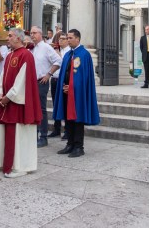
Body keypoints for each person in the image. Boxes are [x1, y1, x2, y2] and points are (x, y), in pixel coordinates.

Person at [0, 27, 41, 178]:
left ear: (19, 38)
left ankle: (20, 166)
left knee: (19, 135)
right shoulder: (9, 55)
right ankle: (6, 162)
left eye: (10, 36)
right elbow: (2, 76)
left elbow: (22, 81)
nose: (7, 38)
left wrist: (9, 96)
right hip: (7, 100)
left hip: (18, 103)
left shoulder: (26, 55)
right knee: (6, 133)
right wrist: (0, 92)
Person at [53, 29, 100, 158]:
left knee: (77, 119)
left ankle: (79, 147)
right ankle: (70, 144)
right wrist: (64, 86)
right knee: (68, 118)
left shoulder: (84, 55)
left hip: (78, 94)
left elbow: (84, 78)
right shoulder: (68, 54)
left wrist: (72, 88)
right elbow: (65, 73)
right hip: (66, 92)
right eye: (67, 38)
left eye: (70, 38)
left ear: (78, 39)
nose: (68, 40)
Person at [29, 25, 61, 148]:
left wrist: (49, 74)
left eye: (34, 33)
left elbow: (58, 61)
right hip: (31, 82)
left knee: (41, 109)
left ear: (40, 34)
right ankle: (34, 134)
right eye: (31, 33)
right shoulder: (32, 48)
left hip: (41, 81)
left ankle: (43, 136)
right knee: (33, 108)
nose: (32, 35)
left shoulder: (46, 47)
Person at [49, 33, 70, 139]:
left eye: (63, 39)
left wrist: (57, 53)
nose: (60, 41)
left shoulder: (68, 51)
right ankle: (56, 128)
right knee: (55, 104)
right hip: (54, 79)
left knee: (65, 105)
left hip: (63, 81)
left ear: (67, 40)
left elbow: (63, 63)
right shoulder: (58, 51)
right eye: (59, 39)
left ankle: (67, 130)